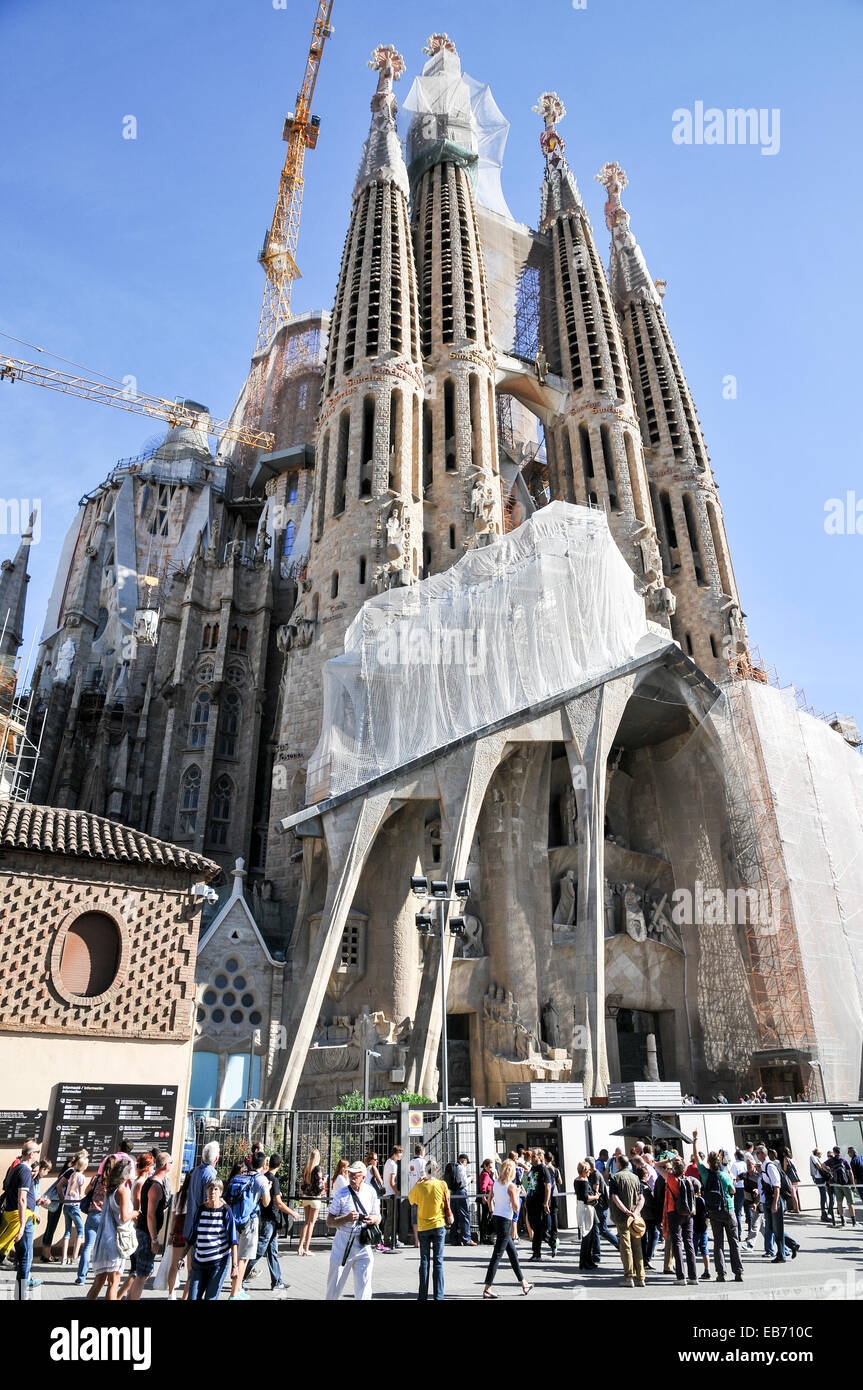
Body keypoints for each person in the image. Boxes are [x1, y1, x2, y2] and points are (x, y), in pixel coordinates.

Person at [325, 1160, 381, 1301]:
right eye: (350, 1173)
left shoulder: (371, 1192)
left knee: (364, 1287)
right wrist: (346, 1218)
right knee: (335, 1286)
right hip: (343, 1243)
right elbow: (329, 1221)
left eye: (355, 1174)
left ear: (363, 1176)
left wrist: (373, 1219)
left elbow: (378, 1216)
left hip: (363, 1243)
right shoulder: (341, 1194)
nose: (351, 1176)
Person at [120, 1151, 173, 1300]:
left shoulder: (152, 1182)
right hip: (146, 1234)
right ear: (166, 1165)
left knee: (141, 1272)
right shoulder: (155, 1186)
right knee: (142, 1275)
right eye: (171, 1163)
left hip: (143, 1232)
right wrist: (154, 1239)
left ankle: (129, 1297)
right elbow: (150, 1214)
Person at [244, 1154, 300, 1291]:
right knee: (260, 1250)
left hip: (267, 1218)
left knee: (272, 1251)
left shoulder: (265, 1177)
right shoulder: (273, 1180)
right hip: (269, 1220)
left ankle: (277, 1281)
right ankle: (241, 1275)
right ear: (280, 1165)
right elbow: (279, 1203)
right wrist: (292, 1213)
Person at [692, 1135, 743, 1283]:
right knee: (733, 1242)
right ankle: (738, 1272)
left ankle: (721, 1274)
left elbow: (696, 1157)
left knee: (718, 1243)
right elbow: (732, 1190)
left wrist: (696, 1139)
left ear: (708, 1162)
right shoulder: (724, 1175)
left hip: (714, 1211)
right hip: (728, 1210)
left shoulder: (705, 1174)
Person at [481, 1159, 533, 1298]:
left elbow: (490, 1198)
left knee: (512, 1253)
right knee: (497, 1255)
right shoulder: (510, 1186)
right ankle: (487, 1287)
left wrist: (493, 1209)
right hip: (505, 1220)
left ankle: (524, 1283)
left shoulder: (496, 1183)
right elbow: (516, 1208)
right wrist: (516, 1193)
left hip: (497, 1217)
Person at [86, 1156, 134, 1301]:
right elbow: (124, 1217)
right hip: (115, 1241)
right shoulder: (122, 1191)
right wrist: (136, 1213)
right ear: (126, 1174)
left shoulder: (110, 1190)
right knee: (114, 1282)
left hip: (103, 1239)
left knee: (98, 1281)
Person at [226, 1150, 270, 1299]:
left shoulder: (241, 1176)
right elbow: (266, 1202)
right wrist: (268, 1189)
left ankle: (238, 1289)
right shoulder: (261, 1180)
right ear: (263, 1165)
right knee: (243, 1258)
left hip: (235, 1220)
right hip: (249, 1221)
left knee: (237, 1255)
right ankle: (234, 1293)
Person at [408, 1157, 453, 1300]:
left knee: (424, 1261)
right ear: (437, 1170)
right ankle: (438, 1296)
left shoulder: (419, 1186)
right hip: (439, 1225)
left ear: (425, 1171)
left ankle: (422, 1295)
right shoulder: (442, 1184)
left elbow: (411, 1200)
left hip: (423, 1227)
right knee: (438, 1261)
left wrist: (418, 1182)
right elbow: (447, 1201)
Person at [187, 1178, 238, 1300]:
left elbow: (233, 1240)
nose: (212, 1192)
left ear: (221, 1192)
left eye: (216, 1189)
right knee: (193, 1296)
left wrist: (234, 1266)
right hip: (199, 1261)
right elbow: (193, 1235)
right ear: (206, 1191)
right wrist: (182, 1257)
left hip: (218, 1262)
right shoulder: (201, 1209)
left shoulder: (226, 1211)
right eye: (210, 1189)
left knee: (210, 1297)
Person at [6, 1143, 39, 1300]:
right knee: (26, 1259)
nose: (38, 1155)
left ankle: (20, 1295)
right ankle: (20, 1296)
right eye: (37, 1152)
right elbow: (22, 1199)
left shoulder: (16, 1168)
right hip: (22, 1219)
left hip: (17, 1216)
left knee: (22, 1258)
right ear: (31, 1154)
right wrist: (22, 1226)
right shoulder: (25, 1170)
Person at [756, 1145, 800, 1260]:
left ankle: (781, 1255)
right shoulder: (764, 1166)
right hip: (768, 1200)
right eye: (756, 1153)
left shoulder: (770, 1166)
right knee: (771, 1227)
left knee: (777, 1228)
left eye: (759, 1153)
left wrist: (775, 1203)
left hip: (774, 1200)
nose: (757, 1155)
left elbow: (776, 1186)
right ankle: (792, 1245)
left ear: (764, 1154)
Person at [609, 1155, 645, 1287]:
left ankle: (629, 1277)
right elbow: (642, 1198)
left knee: (625, 1247)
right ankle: (641, 1277)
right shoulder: (636, 1177)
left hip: (622, 1217)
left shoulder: (614, 1177)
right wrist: (635, 1212)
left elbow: (615, 1197)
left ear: (618, 1164)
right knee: (637, 1245)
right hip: (635, 1218)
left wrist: (625, 1211)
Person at [663, 1157, 698, 1285]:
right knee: (689, 1242)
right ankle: (693, 1276)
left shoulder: (671, 1178)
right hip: (688, 1213)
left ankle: (681, 1276)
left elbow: (656, 1165)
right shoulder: (688, 1179)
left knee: (677, 1243)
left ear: (673, 1168)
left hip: (674, 1211)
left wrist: (670, 1159)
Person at [183, 1141, 220, 1243]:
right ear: (216, 1158)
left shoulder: (196, 1170)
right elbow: (209, 1201)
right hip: (201, 1227)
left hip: (192, 1224)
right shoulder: (210, 1175)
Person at [165, 1168, 193, 1298]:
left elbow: (174, 1217)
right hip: (192, 1231)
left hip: (179, 1229)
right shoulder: (196, 1197)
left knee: (174, 1265)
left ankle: (171, 1294)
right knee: (191, 1269)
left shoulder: (178, 1195)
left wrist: (171, 1234)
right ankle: (185, 1296)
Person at [587, 1157, 618, 1264]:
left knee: (600, 1230)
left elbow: (595, 1189)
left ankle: (597, 1254)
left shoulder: (595, 1175)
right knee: (600, 1230)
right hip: (600, 1206)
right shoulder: (594, 1174)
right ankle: (596, 1253)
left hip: (599, 1206)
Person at [59, 1154, 88, 1267]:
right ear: (84, 1167)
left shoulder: (72, 1175)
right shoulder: (81, 1177)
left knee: (67, 1231)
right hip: (75, 1205)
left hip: (66, 1204)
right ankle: (75, 1257)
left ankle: (64, 1258)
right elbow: (80, 1194)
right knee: (81, 1230)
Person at [526, 1150, 554, 1260]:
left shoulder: (543, 1169)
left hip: (539, 1202)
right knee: (534, 1226)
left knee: (537, 1229)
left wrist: (546, 1202)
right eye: (531, 1156)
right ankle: (552, 1242)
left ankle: (536, 1253)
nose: (531, 1158)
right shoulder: (532, 1169)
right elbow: (529, 1184)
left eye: (533, 1156)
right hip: (531, 1201)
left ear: (539, 1157)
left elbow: (548, 1186)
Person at [298, 1148, 326, 1256]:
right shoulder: (317, 1169)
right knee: (311, 1223)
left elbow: (303, 1184)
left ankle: (300, 1246)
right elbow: (319, 1186)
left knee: (306, 1222)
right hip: (315, 1198)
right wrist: (323, 1182)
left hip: (306, 1196)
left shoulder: (306, 1168)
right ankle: (306, 1248)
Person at [574, 1160, 598, 1269]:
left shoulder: (579, 1180)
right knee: (586, 1235)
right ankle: (584, 1261)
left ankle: (588, 1260)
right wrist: (596, 1197)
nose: (589, 1172)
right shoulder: (582, 1181)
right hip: (585, 1209)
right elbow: (585, 1197)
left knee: (589, 1234)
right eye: (587, 1171)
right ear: (583, 1171)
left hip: (584, 1208)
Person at [448, 1153, 476, 1247]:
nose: (466, 1164)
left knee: (454, 1216)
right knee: (464, 1216)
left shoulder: (453, 1167)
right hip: (461, 1192)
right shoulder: (461, 1167)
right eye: (466, 1162)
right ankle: (466, 1239)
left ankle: (453, 1239)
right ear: (463, 1160)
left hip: (453, 1192)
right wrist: (470, 1178)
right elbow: (463, 1182)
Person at [825, 1147, 857, 1226]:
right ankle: (853, 1221)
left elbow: (822, 1165)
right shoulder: (844, 1160)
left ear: (834, 1152)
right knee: (850, 1203)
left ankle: (843, 1220)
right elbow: (850, 1172)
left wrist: (829, 1171)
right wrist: (853, 1184)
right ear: (840, 1152)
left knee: (839, 1202)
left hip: (836, 1184)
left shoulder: (831, 1160)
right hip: (846, 1184)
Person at [407, 1144, 426, 1249]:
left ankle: (416, 1241)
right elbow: (423, 1176)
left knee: (415, 1218)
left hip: (412, 1193)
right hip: (421, 1194)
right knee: (423, 1217)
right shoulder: (422, 1162)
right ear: (422, 1152)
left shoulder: (410, 1162)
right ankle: (423, 1240)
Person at [730, 1148, 748, 1239]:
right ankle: (750, 1233)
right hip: (747, 1187)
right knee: (748, 1211)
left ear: (736, 1156)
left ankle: (739, 1233)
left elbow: (733, 1178)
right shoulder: (745, 1164)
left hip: (739, 1188)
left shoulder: (734, 1165)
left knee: (738, 1211)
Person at [477, 1158, 495, 1245]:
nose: (491, 1169)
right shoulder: (485, 1175)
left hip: (487, 1195)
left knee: (485, 1216)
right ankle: (486, 1236)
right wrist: (484, 1196)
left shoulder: (487, 1174)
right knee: (487, 1216)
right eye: (490, 1167)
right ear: (485, 1166)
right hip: (487, 1196)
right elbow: (483, 1185)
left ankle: (485, 1236)